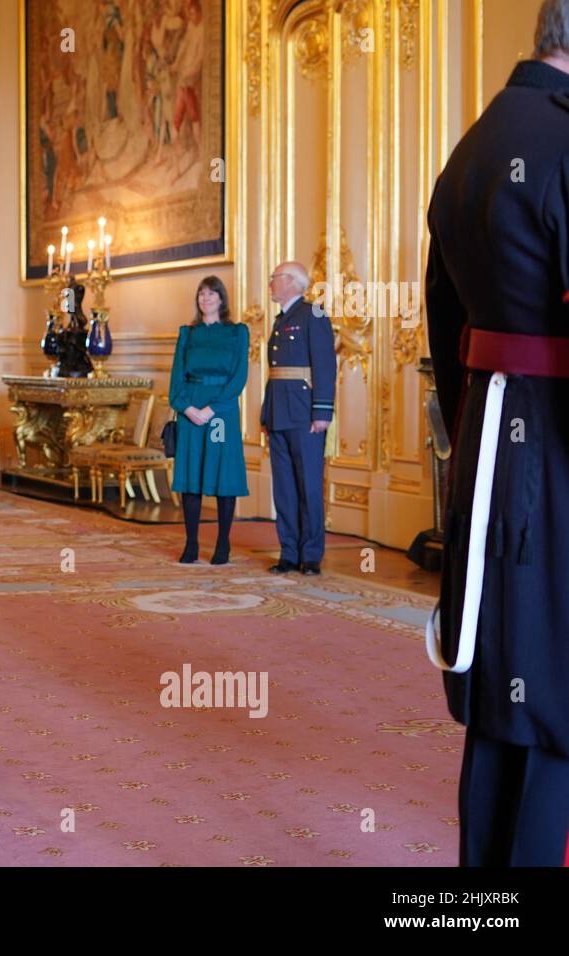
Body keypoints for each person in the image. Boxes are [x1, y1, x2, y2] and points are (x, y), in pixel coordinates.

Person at [424, 0, 569, 866]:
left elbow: (444, 325)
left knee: (498, 689)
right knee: (556, 693)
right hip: (557, 451)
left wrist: (476, 425)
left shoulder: (468, 150)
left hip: (487, 443)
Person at [260, 261, 335, 575]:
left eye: (274, 278)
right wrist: (266, 413)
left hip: (305, 415)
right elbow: (275, 372)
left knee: (308, 486)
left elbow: (325, 365)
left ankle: (311, 555)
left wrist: (322, 411)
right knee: (285, 489)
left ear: (291, 281)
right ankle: (288, 552)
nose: (270, 283)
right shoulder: (280, 321)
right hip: (279, 413)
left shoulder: (313, 314)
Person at [169, 275, 249, 564]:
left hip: (220, 414)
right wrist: (186, 407)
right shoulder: (187, 334)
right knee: (191, 475)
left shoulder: (237, 332)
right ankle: (191, 543)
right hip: (191, 410)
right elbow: (176, 376)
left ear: (221, 299)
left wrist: (213, 409)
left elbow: (239, 377)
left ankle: (223, 543)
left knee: (222, 473)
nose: (206, 299)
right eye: (201, 294)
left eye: (212, 294)